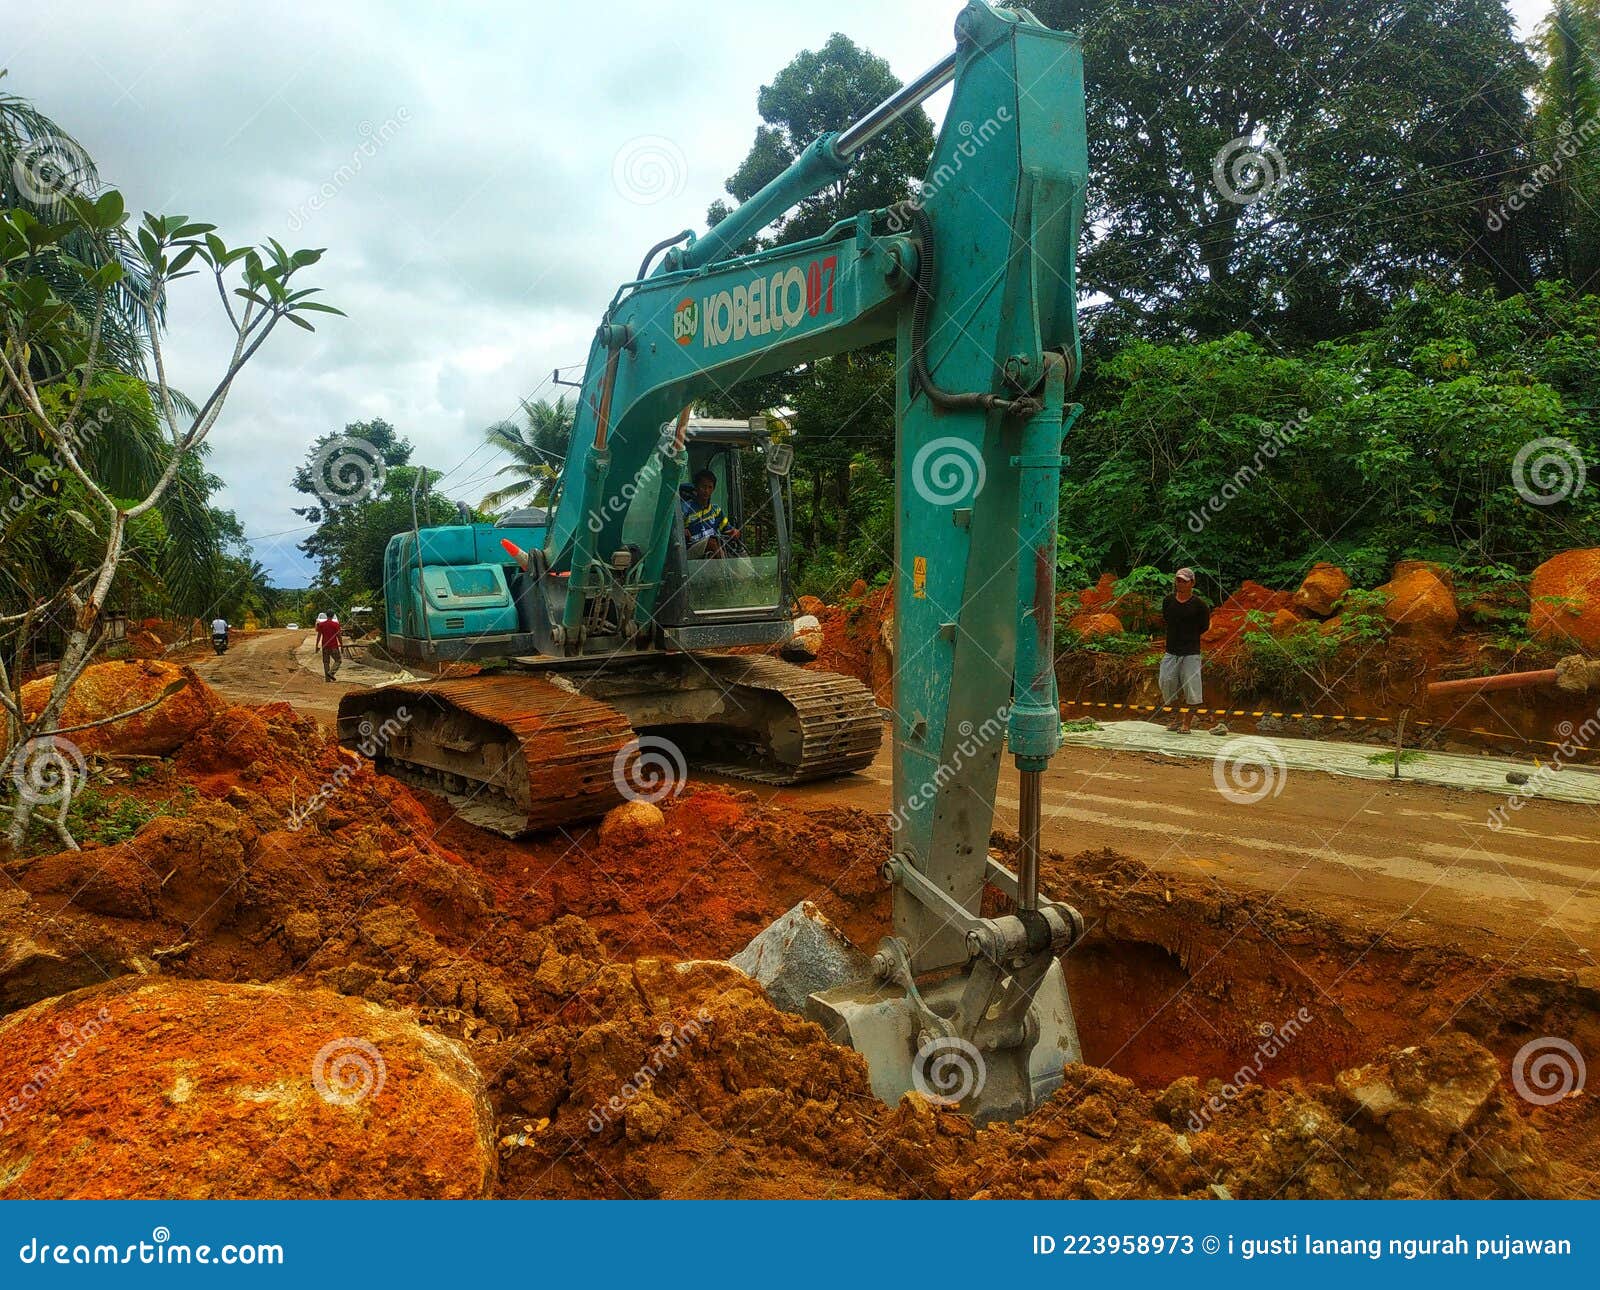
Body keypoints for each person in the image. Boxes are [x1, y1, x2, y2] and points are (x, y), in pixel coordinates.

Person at [1158, 567, 1210, 734]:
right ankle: (1176, 717)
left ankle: (1186, 723)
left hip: (1191, 651)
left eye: (1184, 581)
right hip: (1171, 650)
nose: (1180, 584)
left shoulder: (1200, 605)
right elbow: (1166, 619)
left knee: (1191, 688)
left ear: (1192, 583)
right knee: (1166, 682)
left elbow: (1204, 626)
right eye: (1178, 580)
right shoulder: (1168, 601)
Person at [679, 469, 739, 558]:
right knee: (712, 542)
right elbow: (674, 532)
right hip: (689, 551)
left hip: (711, 552)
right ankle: (726, 571)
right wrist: (681, 531)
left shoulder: (716, 510)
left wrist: (734, 532)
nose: (706, 490)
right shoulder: (685, 508)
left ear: (713, 489)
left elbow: (727, 529)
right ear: (696, 487)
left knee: (738, 549)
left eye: (710, 487)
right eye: (703, 487)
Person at [314, 612, 343, 682]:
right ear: (333, 616)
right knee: (338, 660)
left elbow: (319, 636)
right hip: (334, 646)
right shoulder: (336, 624)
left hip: (325, 646)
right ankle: (331, 672)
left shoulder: (321, 624)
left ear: (326, 616)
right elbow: (339, 636)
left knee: (326, 662)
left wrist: (316, 645)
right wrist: (342, 645)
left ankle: (327, 679)